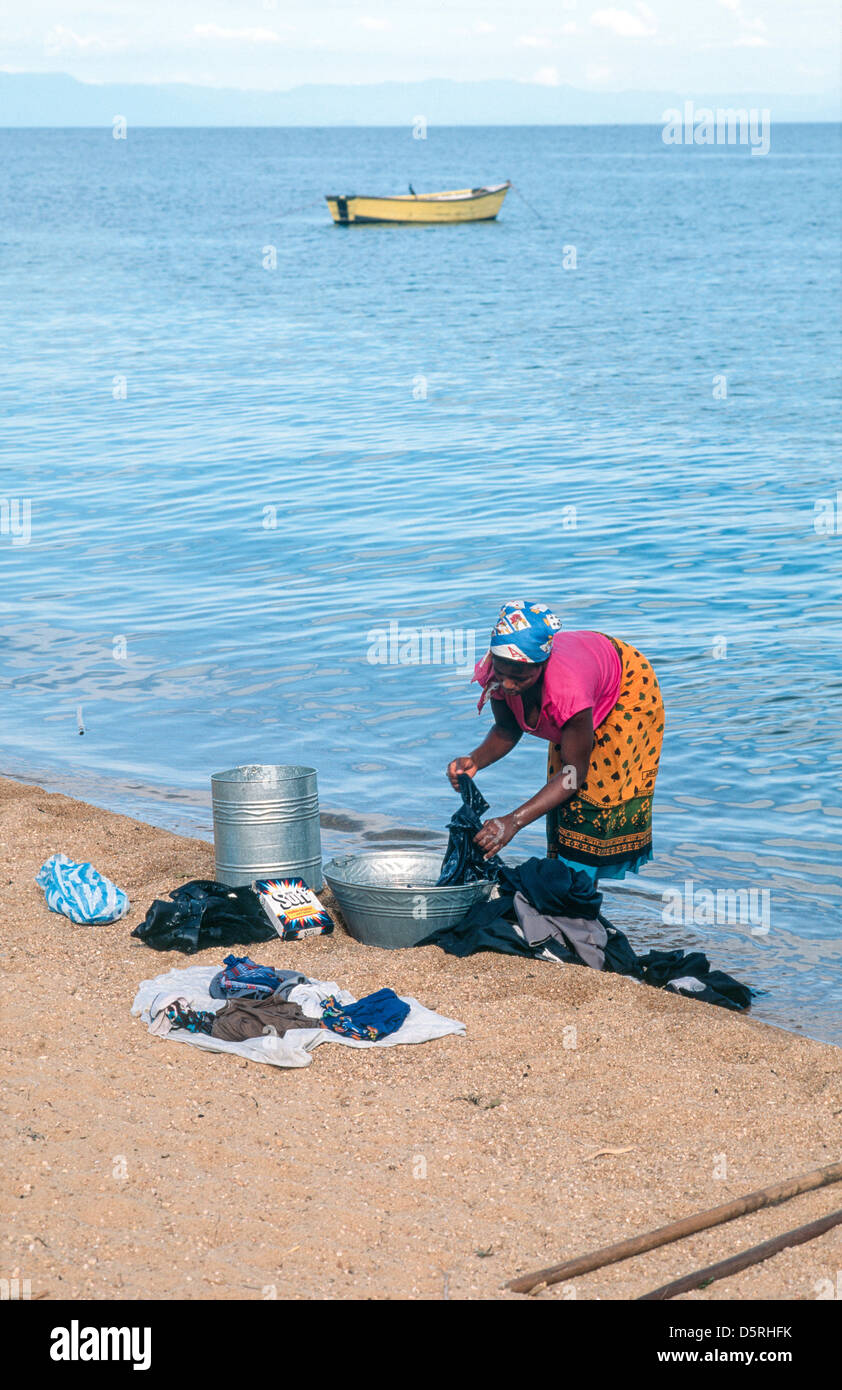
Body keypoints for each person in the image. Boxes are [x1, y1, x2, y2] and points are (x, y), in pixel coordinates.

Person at [446, 600, 665, 881]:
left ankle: (580, 893)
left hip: (626, 686)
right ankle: (570, 890)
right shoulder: (499, 676)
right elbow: (507, 729)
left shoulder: (568, 693)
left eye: (519, 678)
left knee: (592, 797)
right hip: (588, 670)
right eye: (502, 674)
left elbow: (574, 774)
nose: (509, 686)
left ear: (542, 666)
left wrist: (513, 822)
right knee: (563, 803)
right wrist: (475, 759)